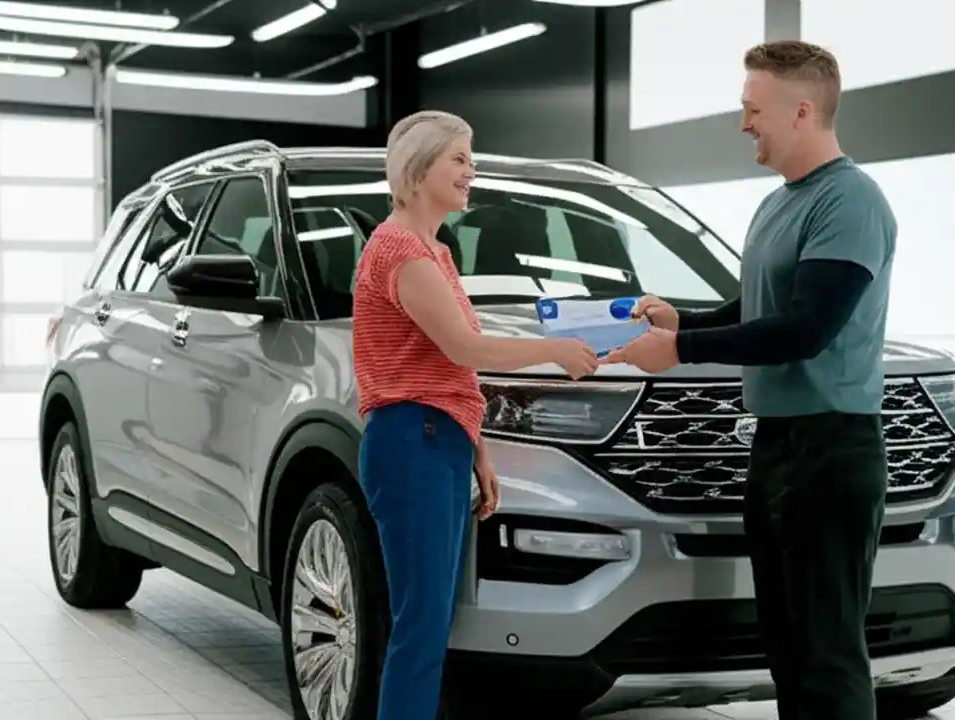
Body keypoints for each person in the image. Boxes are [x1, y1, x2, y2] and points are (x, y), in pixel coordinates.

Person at [604, 41, 898, 720]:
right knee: (788, 648)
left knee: (826, 654)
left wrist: (680, 348)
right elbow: (759, 309)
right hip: (778, 448)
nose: (743, 124)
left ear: (801, 110)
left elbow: (806, 328)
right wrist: (686, 318)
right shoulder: (778, 204)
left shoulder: (850, 201)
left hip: (833, 451)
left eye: (751, 109)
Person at [352, 109, 598, 720]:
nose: (471, 172)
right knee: (421, 625)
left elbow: (448, 368)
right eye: (459, 159)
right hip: (412, 441)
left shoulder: (434, 251)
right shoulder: (402, 251)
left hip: (437, 439)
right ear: (418, 169)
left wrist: (477, 446)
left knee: (433, 622)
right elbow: (468, 349)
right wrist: (554, 351)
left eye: (471, 159)